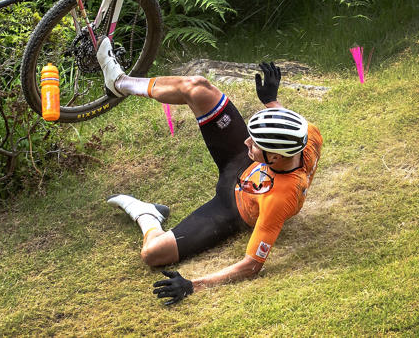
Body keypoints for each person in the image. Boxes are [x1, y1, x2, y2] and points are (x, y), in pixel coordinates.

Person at [97, 38, 323, 305]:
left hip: (232, 208)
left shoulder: (280, 198)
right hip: (243, 164)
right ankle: (119, 82)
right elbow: (284, 126)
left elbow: (251, 265)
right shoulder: (306, 134)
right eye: (251, 136)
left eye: (254, 143)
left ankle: (148, 214)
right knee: (198, 87)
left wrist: (194, 285)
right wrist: (272, 102)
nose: (246, 141)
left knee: (153, 253)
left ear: (273, 157)